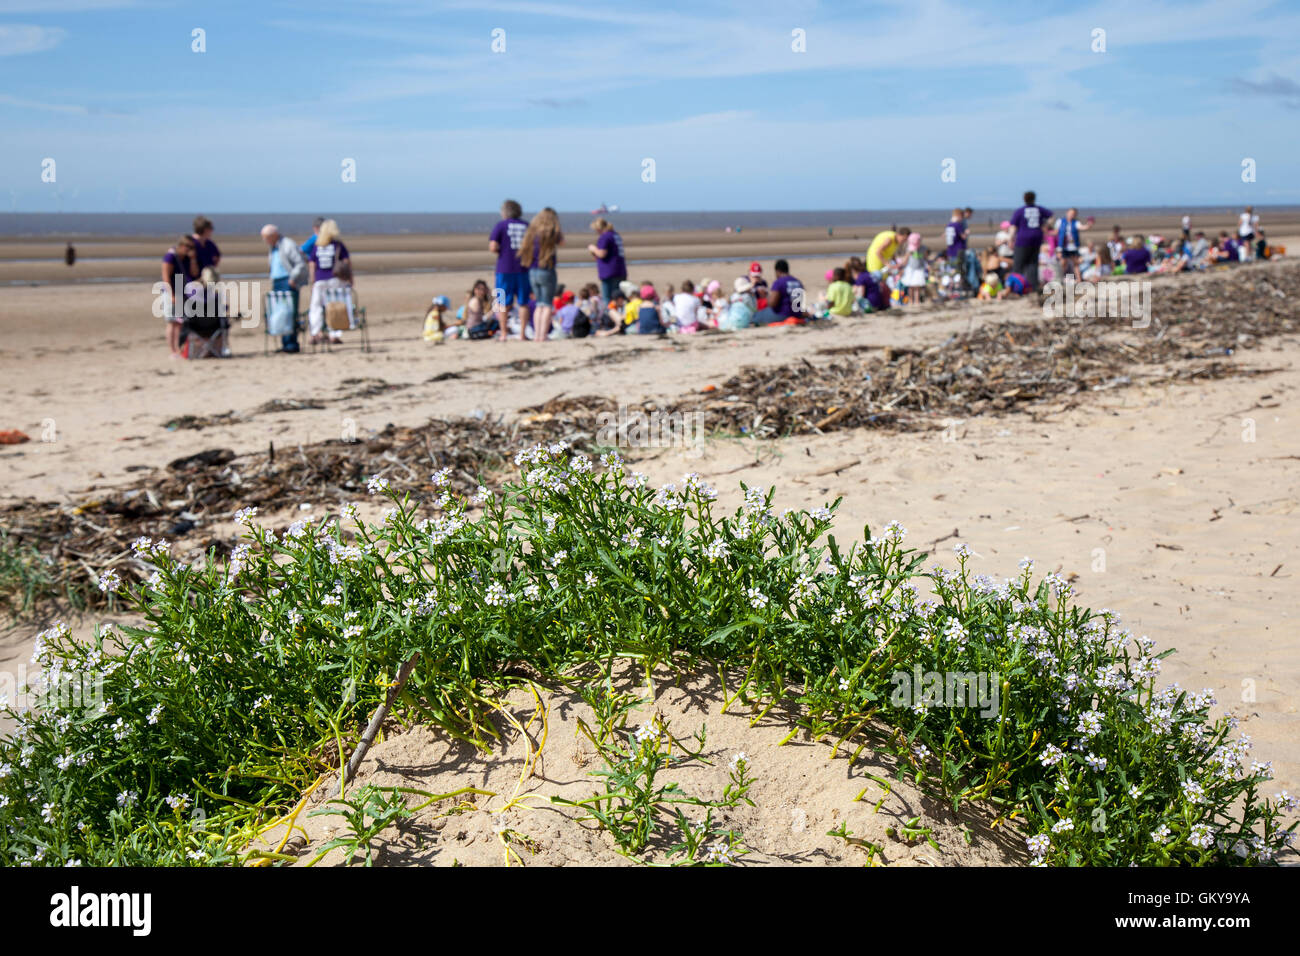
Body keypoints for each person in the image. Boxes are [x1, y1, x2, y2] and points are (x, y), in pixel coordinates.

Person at [517, 206, 563, 342]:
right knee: (547, 304)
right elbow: (562, 242)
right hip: (546, 270)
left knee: (539, 304)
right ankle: (542, 335)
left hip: (532, 270)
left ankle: (537, 334)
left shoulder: (532, 233)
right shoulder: (551, 233)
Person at [260, 224, 309, 353]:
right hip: (277, 282)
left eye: (265, 237)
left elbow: (300, 263)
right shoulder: (273, 247)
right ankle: (285, 343)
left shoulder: (288, 244)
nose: (264, 240)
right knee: (280, 313)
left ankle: (292, 344)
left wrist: (293, 278)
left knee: (289, 313)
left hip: (287, 281)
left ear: (273, 236)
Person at [489, 199, 531, 341]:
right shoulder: (527, 226)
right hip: (523, 268)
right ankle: (522, 333)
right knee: (523, 302)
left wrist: (502, 251)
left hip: (504, 268)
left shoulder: (501, 226)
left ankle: (503, 333)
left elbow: (493, 246)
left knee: (501, 301)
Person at [307, 219, 351, 344]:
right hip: (335, 280)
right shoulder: (337, 245)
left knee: (315, 307)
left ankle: (315, 333)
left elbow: (312, 264)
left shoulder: (318, 246)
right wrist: (350, 279)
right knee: (335, 307)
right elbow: (347, 263)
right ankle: (334, 334)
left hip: (320, 280)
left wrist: (313, 280)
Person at [161, 235, 198, 358]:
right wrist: (171, 295)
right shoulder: (170, 257)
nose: (190, 250)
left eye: (192, 248)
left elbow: (194, 273)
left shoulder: (187, 258)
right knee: (172, 321)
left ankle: (179, 348)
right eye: (188, 247)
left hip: (182, 292)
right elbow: (166, 277)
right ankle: (173, 350)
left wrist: (192, 259)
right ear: (181, 246)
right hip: (171, 292)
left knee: (181, 322)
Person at [1007, 191, 1052, 291]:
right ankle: (1033, 286)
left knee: (1018, 264)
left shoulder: (1020, 211)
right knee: (1033, 264)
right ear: (1034, 199)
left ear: (1024, 199)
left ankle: (1015, 286)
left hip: (1023, 239)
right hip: (1036, 238)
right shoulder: (1039, 209)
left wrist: (1010, 239)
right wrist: (1045, 226)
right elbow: (1051, 216)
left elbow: (1013, 227)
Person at [587, 218, 626, 303]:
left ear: (598, 229)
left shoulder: (605, 237)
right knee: (619, 297)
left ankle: (609, 314)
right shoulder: (615, 235)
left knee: (607, 298)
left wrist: (593, 249)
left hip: (609, 272)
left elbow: (602, 253)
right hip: (620, 270)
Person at [759, 259, 806, 326]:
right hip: (798, 315)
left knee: (757, 316)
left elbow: (772, 303)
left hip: (783, 315)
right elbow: (801, 303)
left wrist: (765, 296)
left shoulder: (779, 282)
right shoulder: (798, 282)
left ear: (777, 271)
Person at [1056, 207, 1089, 281]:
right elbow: (1056, 232)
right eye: (1070, 213)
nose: (1071, 215)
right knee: (1063, 263)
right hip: (1063, 246)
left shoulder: (1076, 222)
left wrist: (1088, 225)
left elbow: (1082, 227)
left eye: (1073, 214)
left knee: (1076, 263)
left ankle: (1079, 279)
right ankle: (1059, 278)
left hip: (1073, 246)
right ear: (1067, 213)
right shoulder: (1060, 221)